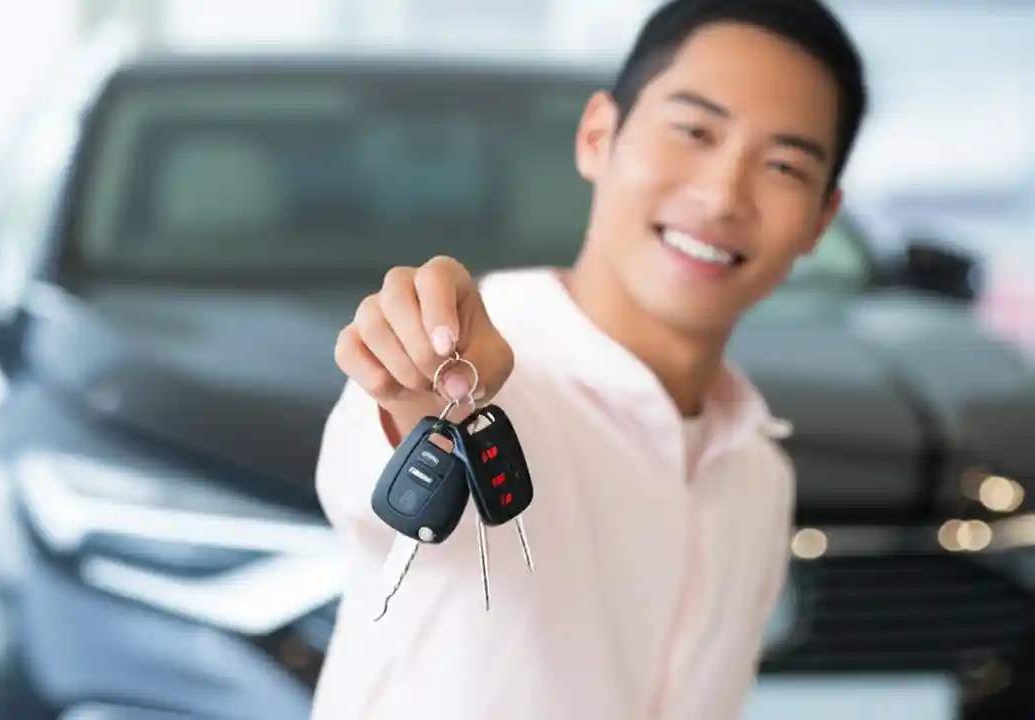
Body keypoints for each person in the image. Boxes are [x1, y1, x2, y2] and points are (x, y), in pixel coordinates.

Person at [312, 0, 867, 717]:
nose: (723, 195)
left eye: (784, 165)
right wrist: (424, 381)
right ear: (598, 135)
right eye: (695, 130)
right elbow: (394, 433)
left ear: (821, 218)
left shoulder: (757, 474)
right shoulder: (494, 383)